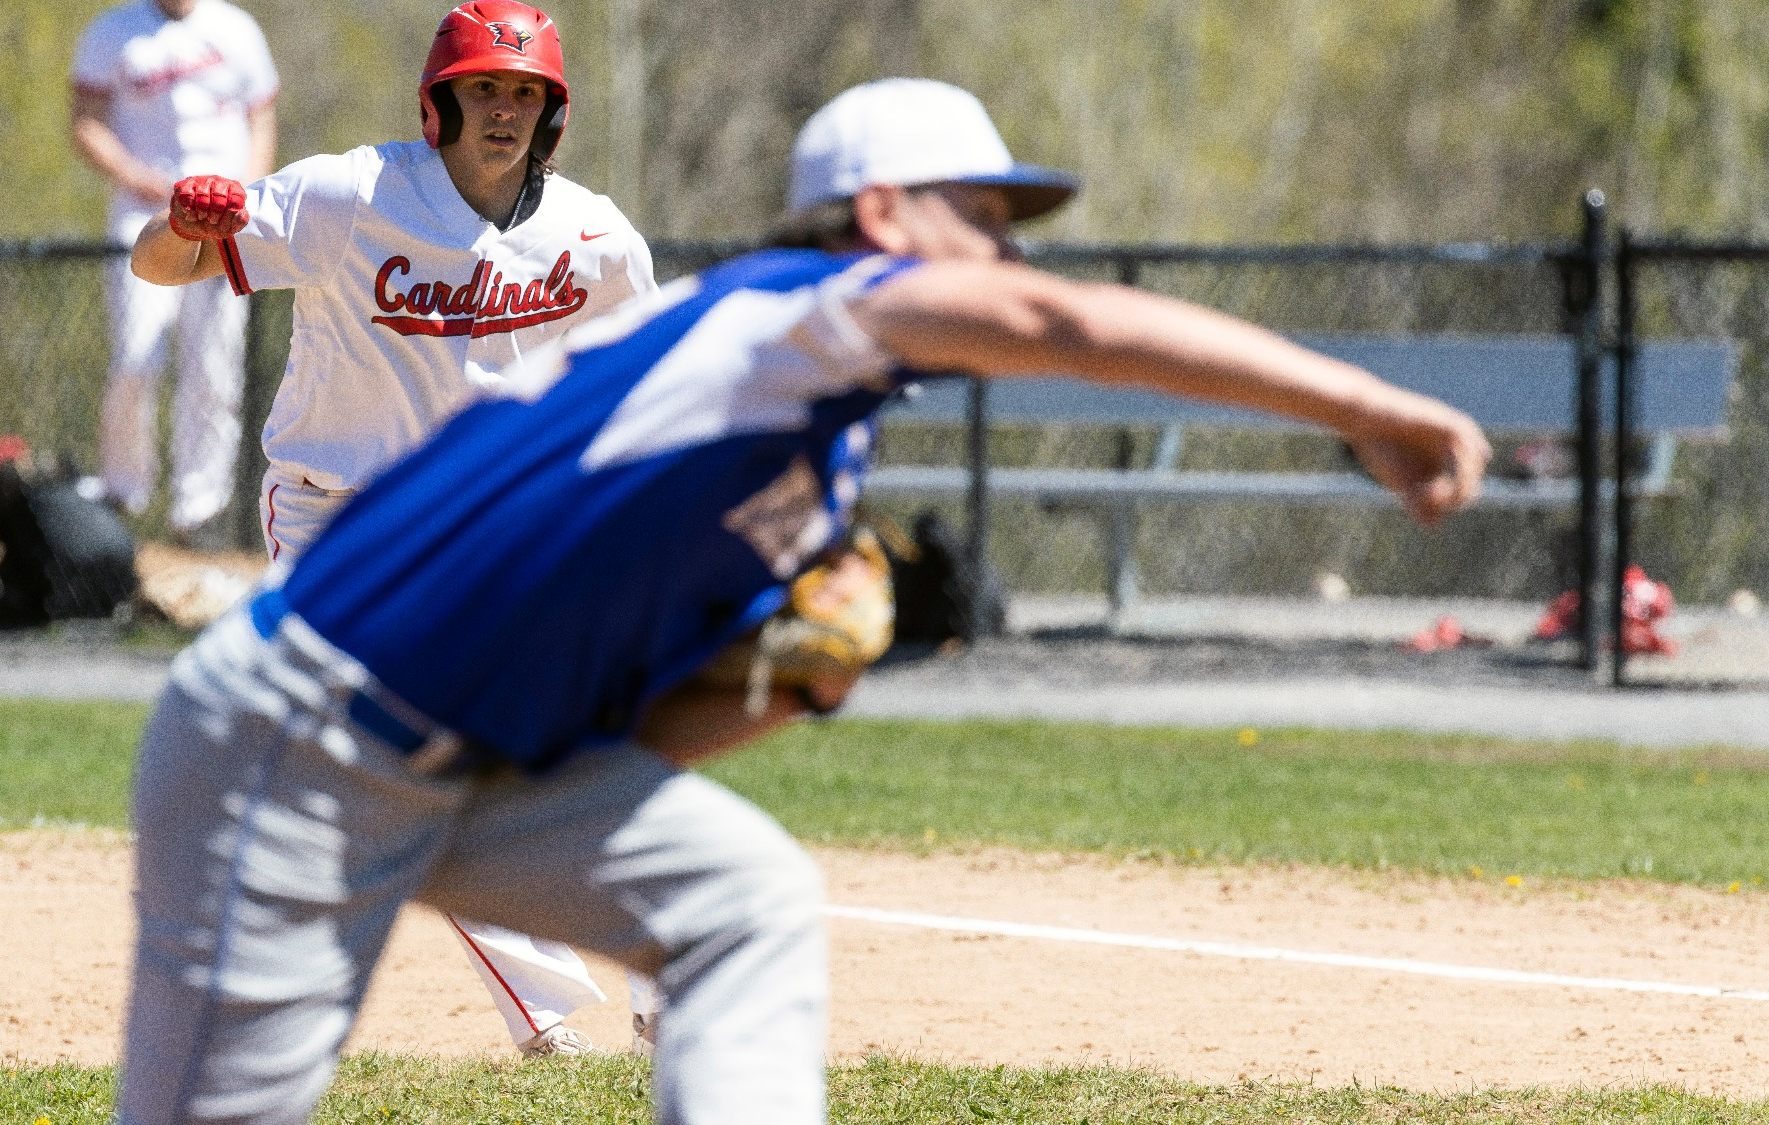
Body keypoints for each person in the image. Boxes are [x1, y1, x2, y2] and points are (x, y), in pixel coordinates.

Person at [119, 77, 1491, 1125]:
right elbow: (1061, 331)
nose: (1008, 256)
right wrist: (1358, 404)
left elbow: (635, 727)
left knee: (745, 902)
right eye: (987, 219)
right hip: (285, 740)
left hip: (474, 761)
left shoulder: (804, 460)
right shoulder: (788, 312)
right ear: (886, 221)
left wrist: (795, 684)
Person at [130, 1, 659, 1058]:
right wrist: (182, 227)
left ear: (551, 112)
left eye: (525, 93)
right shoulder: (347, 194)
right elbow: (161, 269)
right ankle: (546, 1016)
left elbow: (646, 381)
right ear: (440, 101)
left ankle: (655, 969)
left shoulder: (594, 238)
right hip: (338, 515)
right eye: (484, 89)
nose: (503, 110)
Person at [72, 0, 279, 548]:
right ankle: (121, 493)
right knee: (136, 357)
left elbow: (261, 122)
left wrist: (245, 200)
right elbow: (85, 122)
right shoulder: (113, 31)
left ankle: (199, 510)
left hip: (223, 218)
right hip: (146, 214)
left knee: (214, 366)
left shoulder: (235, 29)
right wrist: (139, 178)